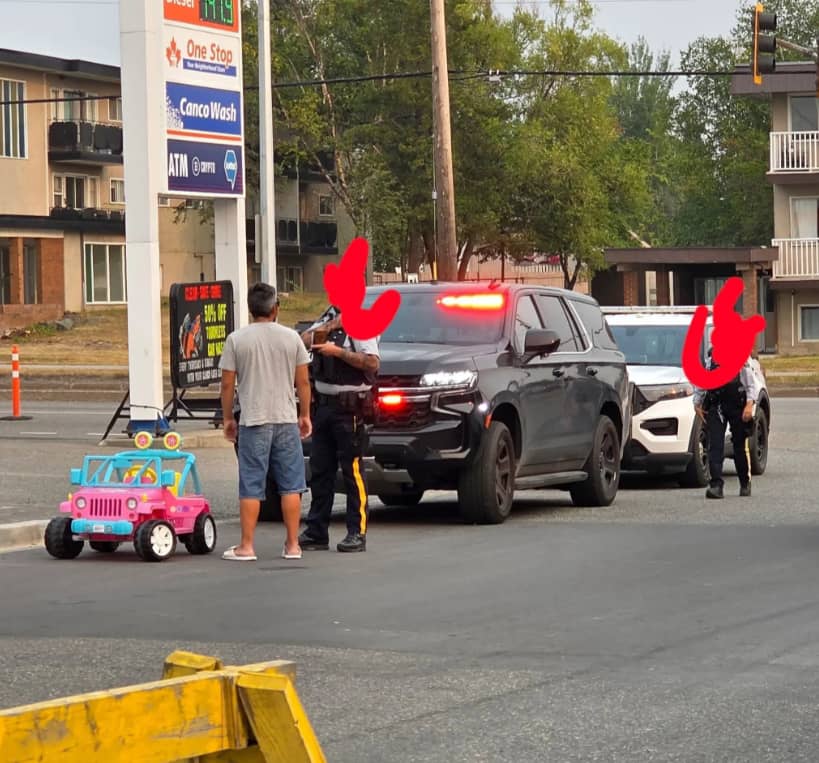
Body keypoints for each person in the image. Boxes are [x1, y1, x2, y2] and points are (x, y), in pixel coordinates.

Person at [219, 282, 312, 561]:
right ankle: (293, 544)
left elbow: (227, 384)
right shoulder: (291, 338)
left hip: (253, 419)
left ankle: (247, 546)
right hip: (285, 418)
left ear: (251, 309)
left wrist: (227, 418)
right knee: (291, 483)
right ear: (275, 309)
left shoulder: (237, 339)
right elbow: (303, 381)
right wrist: (304, 414)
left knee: (251, 483)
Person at [298, 307, 380, 553]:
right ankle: (316, 531)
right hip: (324, 407)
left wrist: (339, 353)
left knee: (352, 472)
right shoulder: (328, 318)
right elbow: (303, 341)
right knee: (320, 470)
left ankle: (357, 532)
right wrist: (331, 326)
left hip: (349, 409)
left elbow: (372, 363)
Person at [693, 350, 761, 500]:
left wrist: (749, 405)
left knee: (739, 446)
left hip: (737, 407)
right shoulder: (710, 362)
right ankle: (716, 486)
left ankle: (745, 482)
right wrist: (697, 402)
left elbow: (751, 386)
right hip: (717, 407)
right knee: (715, 445)